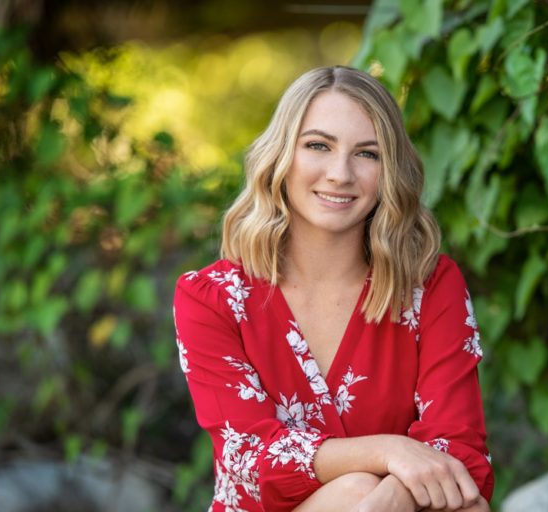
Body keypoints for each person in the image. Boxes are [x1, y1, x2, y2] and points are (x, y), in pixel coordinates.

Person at [173, 65, 493, 512]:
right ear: (282, 155)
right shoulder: (213, 298)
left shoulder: (430, 286)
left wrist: (389, 500)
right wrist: (389, 452)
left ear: (389, 171)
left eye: (368, 153)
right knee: (361, 489)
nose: (340, 174)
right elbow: (250, 459)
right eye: (318, 146)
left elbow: (460, 450)